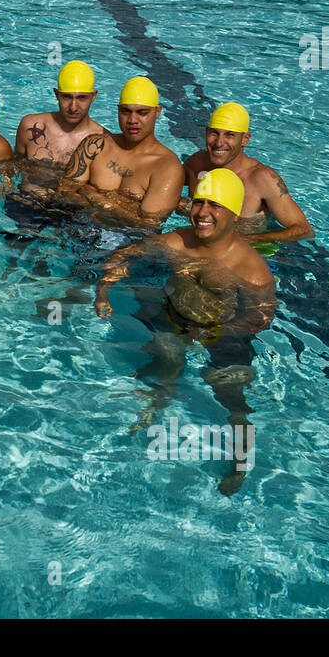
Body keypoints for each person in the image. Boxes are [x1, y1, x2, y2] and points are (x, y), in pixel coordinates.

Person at [94, 168, 275, 494]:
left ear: (234, 214)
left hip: (222, 332)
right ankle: (153, 407)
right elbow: (128, 254)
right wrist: (105, 286)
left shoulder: (250, 267)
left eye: (214, 205)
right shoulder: (177, 241)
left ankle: (240, 459)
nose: (203, 213)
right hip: (174, 314)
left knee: (232, 397)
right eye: (198, 202)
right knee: (165, 356)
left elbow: (261, 317)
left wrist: (212, 334)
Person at [59, 75, 184, 227]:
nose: (132, 120)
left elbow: (145, 227)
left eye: (142, 112)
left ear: (157, 112)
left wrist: (92, 195)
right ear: (118, 111)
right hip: (76, 226)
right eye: (126, 111)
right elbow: (64, 193)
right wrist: (122, 209)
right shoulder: (95, 145)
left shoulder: (167, 167)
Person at [178, 103, 312, 244]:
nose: (219, 143)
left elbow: (303, 229)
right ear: (206, 132)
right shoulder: (197, 164)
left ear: (245, 139)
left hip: (248, 251)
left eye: (229, 135)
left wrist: (246, 240)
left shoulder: (262, 178)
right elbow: (166, 187)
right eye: (214, 133)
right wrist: (178, 203)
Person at [14, 61, 108, 167]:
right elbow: (15, 168)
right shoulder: (30, 126)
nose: (73, 107)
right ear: (56, 94)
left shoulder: (103, 141)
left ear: (93, 96)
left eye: (82, 98)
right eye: (66, 97)